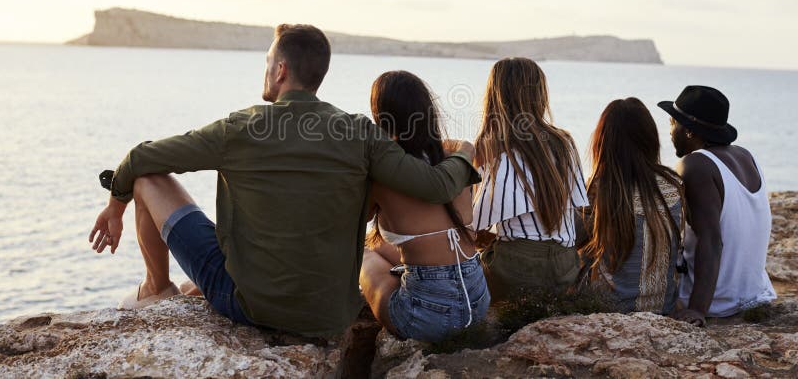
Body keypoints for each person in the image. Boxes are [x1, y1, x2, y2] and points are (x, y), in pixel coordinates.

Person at [88, 24, 480, 338]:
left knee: (148, 179)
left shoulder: (240, 128)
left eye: (267, 62)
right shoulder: (361, 133)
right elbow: (434, 186)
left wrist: (116, 204)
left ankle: (156, 289)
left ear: (280, 70)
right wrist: (464, 151)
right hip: (330, 316)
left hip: (251, 307)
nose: (266, 70)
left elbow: (142, 157)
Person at [359, 71, 490, 342]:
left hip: (427, 318)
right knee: (380, 249)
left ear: (381, 117)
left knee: (366, 256)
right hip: (477, 300)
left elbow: (358, 217)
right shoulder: (457, 161)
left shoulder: (382, 175)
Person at [472, 57, 588, 302]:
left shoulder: (491, 145)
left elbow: (473, 226)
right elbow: (577, 208)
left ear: (495, 96)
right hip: (565, 268)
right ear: (539, 94)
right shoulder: (564, 142)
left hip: (516, 272)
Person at [659, 85, 776, 326]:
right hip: (755, 294)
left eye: (673, 123)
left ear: (689, 131)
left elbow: (711, 240)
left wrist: (698, 309)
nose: (670, 132)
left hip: (719, 302)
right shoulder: (746, 156)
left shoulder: (695, 165)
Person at [577, 98, 684, 314]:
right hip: (662, 305)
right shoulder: (674, 183)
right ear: (650, 139)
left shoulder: (602, 187)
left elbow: (575, 239)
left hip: (612, 308)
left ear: (604, 141)